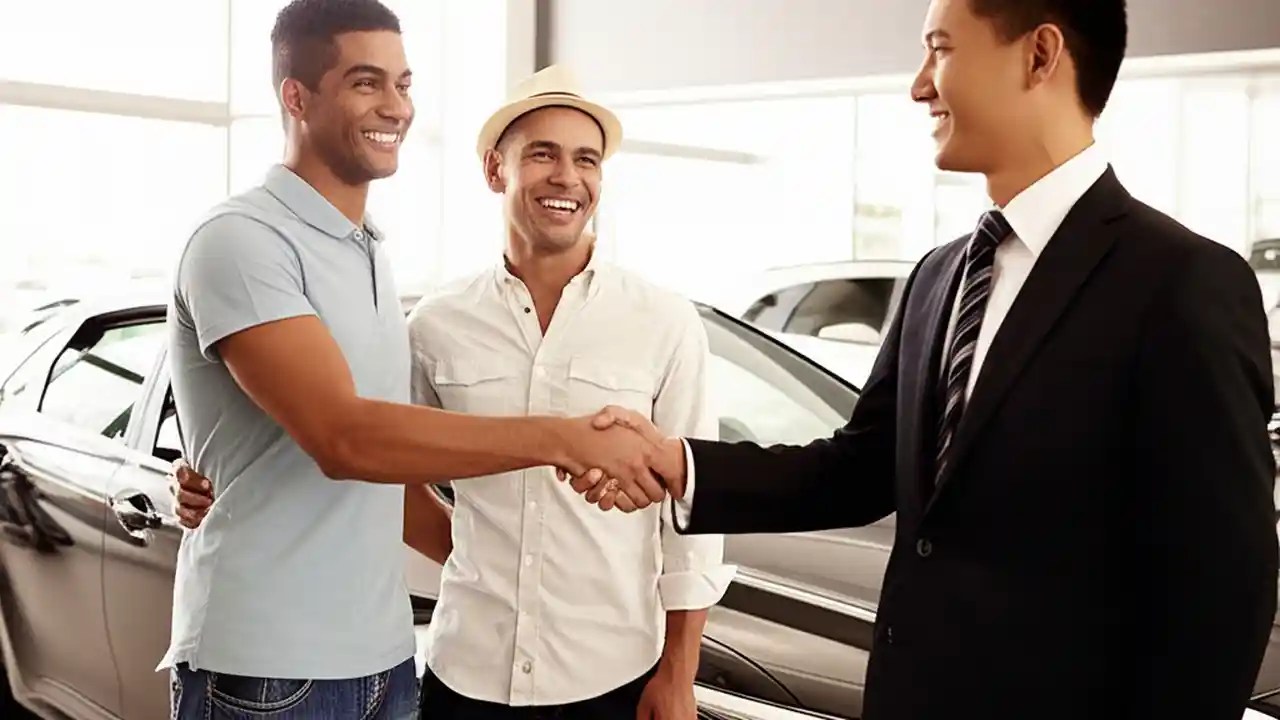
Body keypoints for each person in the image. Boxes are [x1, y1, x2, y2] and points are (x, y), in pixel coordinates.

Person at [573, 0, 1280, 718]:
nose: (918, 86)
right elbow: (864, 465)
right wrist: (681, 465)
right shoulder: (938, 277)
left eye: (939, 49)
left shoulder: (1179, 282)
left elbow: (1223, 587)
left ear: (1040, 55)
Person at [174, 64, 735, 719]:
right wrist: (208, 474)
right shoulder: (435, 324)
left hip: (613, 677)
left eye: (587, 160)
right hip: (464, 677)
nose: (567, 177)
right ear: (497, 170)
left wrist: (679, 672)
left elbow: (696, 514)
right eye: (543, 155)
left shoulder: (664, 321)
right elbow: (372, 449)